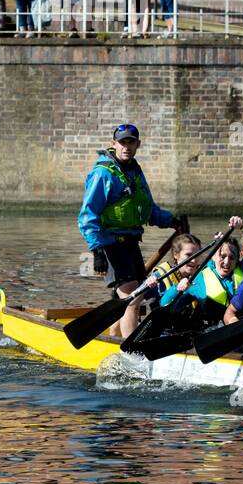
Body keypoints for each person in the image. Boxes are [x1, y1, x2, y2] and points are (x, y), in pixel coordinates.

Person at [78, 124, 181, 338]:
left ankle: (112, 337)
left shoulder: (135, 172)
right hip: (110, 245)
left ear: (137, 144)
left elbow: (149, 210)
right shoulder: (102, 174)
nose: (126, 146)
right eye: (122, 142)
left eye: (131, 142)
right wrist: (97, 251)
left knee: (127, 300)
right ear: (113, 144)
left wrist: (172, 221)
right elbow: (88, 216)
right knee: (134, 297)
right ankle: (131, 353)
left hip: (131, 244)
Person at [157, 218, 243, 326]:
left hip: (241, 325)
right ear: (213, 256)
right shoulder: (198, 279)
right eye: (222, 256)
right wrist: (177, 289)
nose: (227, 262)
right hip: (212, 331)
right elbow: (166, 305)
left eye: (232, 257)